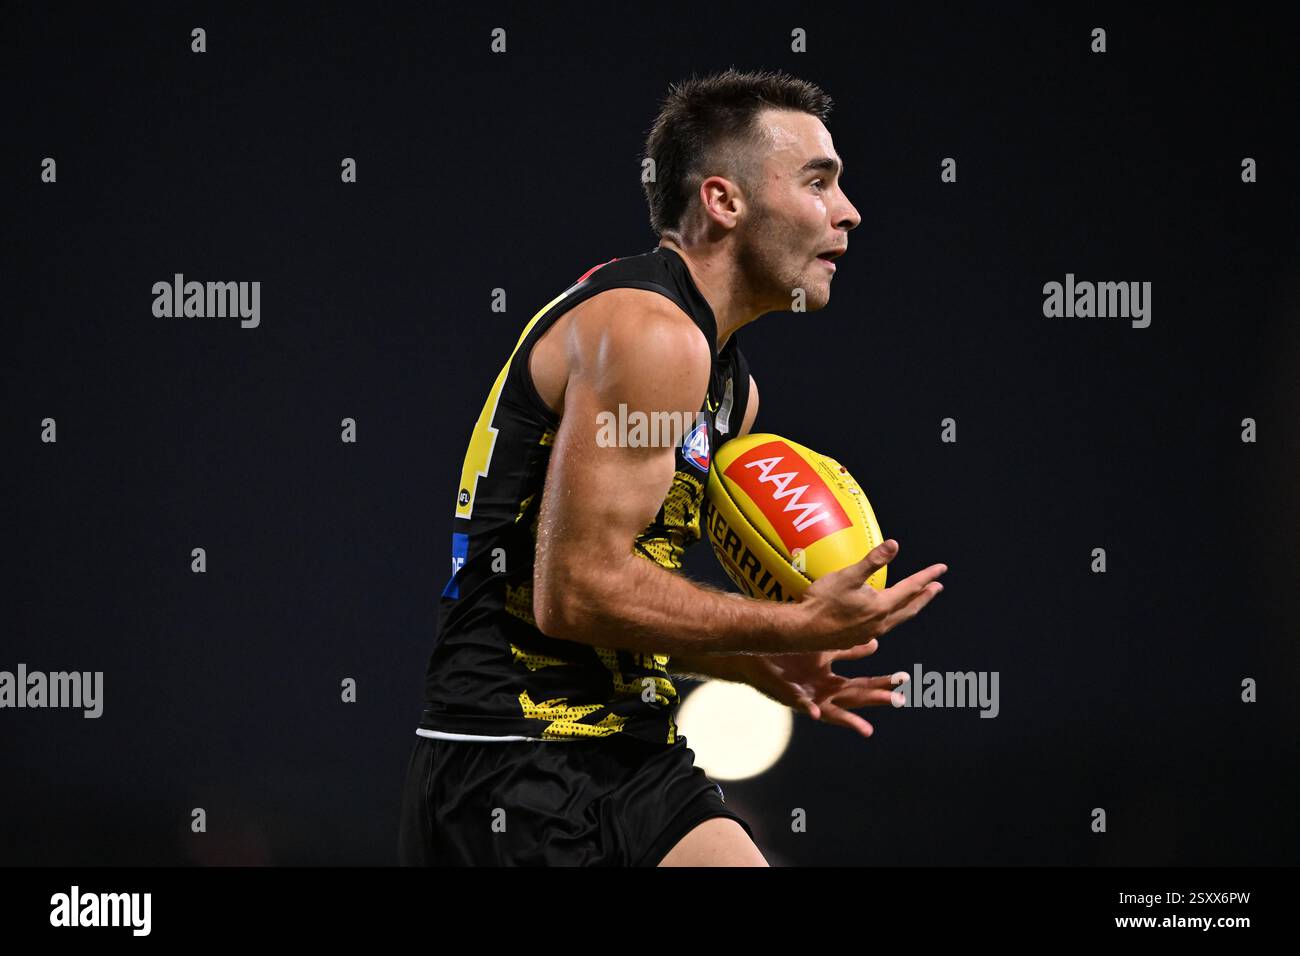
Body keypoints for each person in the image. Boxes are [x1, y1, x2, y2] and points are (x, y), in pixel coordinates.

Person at [398, 67, 948, 867]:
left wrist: (762, 662)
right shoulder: (651, 334)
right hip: (508, 764)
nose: (848, 211)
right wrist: (791, 622)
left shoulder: (731, 385)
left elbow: (631, 598)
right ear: (723, 201)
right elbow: (578, 590)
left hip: (633, 756)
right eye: (818, 181)